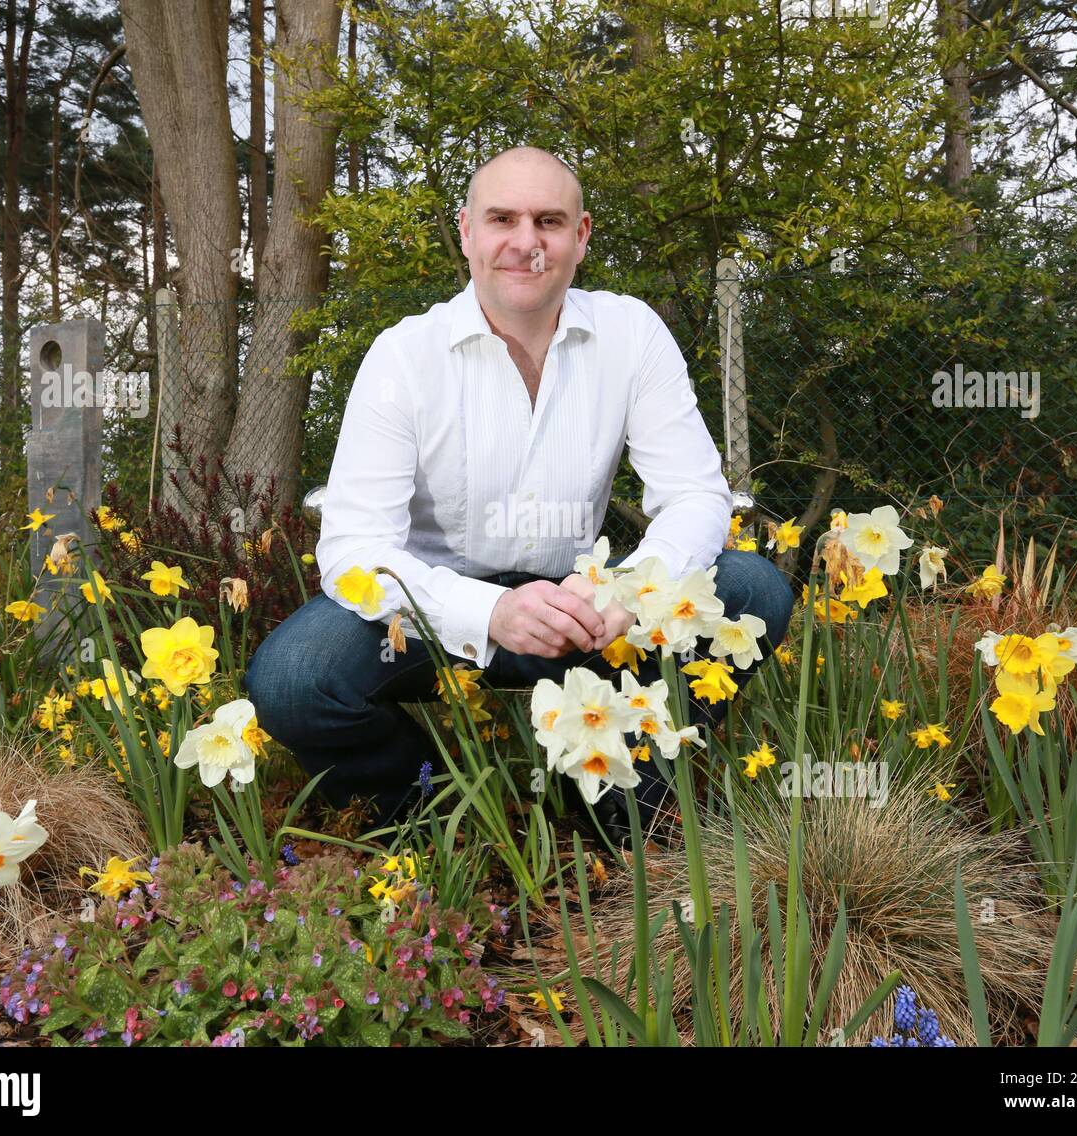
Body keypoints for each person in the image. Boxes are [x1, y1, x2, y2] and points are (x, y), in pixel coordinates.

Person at [244, 146, 793, 834]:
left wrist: (627, 588)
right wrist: (490, 610)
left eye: (550, 221)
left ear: (582, 236)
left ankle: (615, 801)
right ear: (468, 230)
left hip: (582, 611)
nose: (526, 243)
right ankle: (434, 812)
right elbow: (353, 553)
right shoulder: (404, 356)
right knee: (294, 679)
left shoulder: (631, 334)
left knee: (753, 591)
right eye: (502, 218)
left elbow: (696, 495)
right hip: (433, 619)